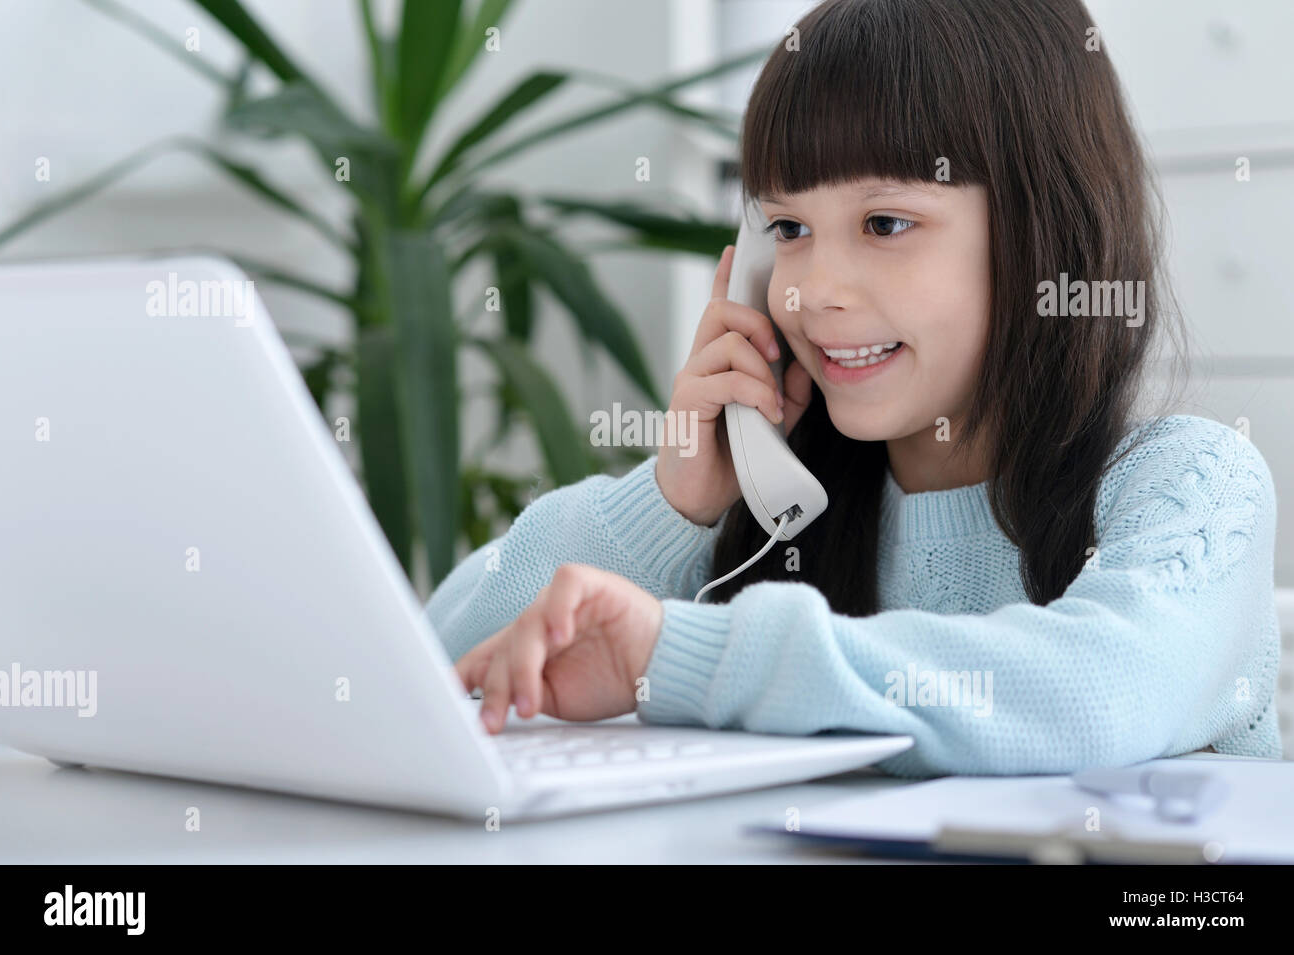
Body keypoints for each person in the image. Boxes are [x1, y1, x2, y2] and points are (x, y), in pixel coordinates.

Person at [425, 0, 1280, 777]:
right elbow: (437, 659)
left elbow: (1106, 686)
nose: (814, 289)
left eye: (885, 223)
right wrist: (672, 502)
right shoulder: (775, 521)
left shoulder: (1190, 487)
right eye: (789, 228)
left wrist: (686, 656)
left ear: (1043, 232)